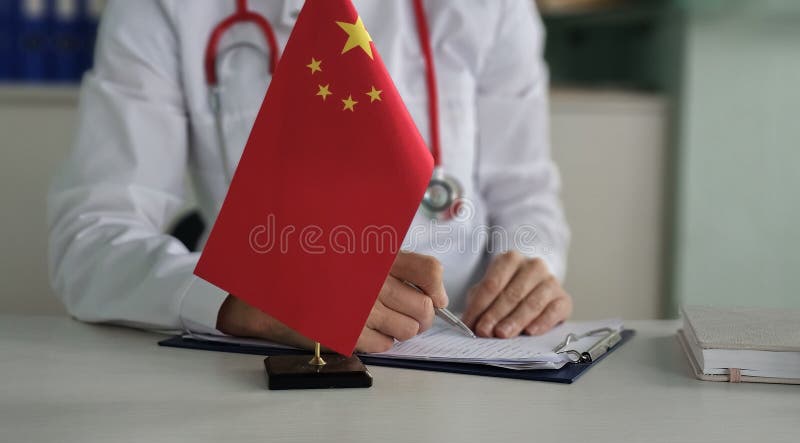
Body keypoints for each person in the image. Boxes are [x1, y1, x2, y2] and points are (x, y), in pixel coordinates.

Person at [48, 0, 571, 353]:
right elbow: (90, 240)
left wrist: (531, 269)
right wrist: (237, 300)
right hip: (265, 360)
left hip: (469, 353)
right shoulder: (161, 9)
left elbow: (526, 197)